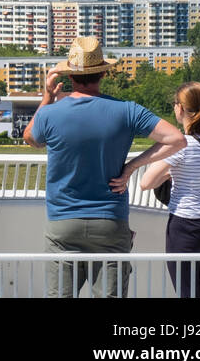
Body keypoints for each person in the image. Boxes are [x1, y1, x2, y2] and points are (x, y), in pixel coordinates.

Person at [24, 36, 185, 298]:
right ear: (102, 73)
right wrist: (131, 167)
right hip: (110, 222)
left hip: (63, 224)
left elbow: (31, 138)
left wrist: (47, 98)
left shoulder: (50, 114)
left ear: (70, 75)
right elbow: (176, 139)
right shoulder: (126, 110)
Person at [127, 82, 200, 298]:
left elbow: (146, 182)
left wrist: (170, 172)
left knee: (187, 291)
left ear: (180, 109)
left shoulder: (181, 145)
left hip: (184, 227)